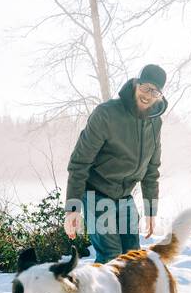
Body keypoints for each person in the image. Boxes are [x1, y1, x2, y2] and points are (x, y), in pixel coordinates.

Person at [64, 64, 169, 263]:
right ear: (136, 84)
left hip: (125, 198)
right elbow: (79, 162)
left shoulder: (155, 122)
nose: (148, 94)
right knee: (111, 258)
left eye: (154, 91)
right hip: (97, 195)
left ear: (160, 96)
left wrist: (150, 210)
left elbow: (152, 169)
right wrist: (72, 208)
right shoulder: (107, 114)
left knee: (132, 258)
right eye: (145, 87)